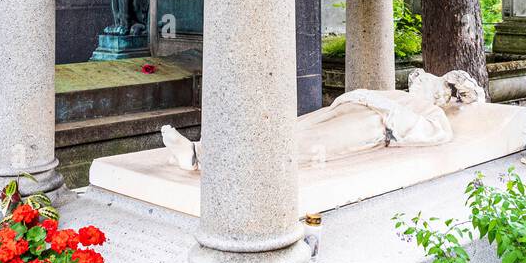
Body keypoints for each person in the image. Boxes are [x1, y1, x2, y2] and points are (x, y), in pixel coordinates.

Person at [159, 69, 486, 171]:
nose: (422, 80)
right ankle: (202, 150)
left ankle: (206, 159)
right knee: (286, 130)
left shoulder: (433, 113)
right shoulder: (405, 95)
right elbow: (363, 95)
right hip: (349, 111)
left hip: (370, 126)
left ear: (446, 95)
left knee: (298, 146)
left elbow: (430, 134)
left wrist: (385, 108)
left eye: (437, 83)